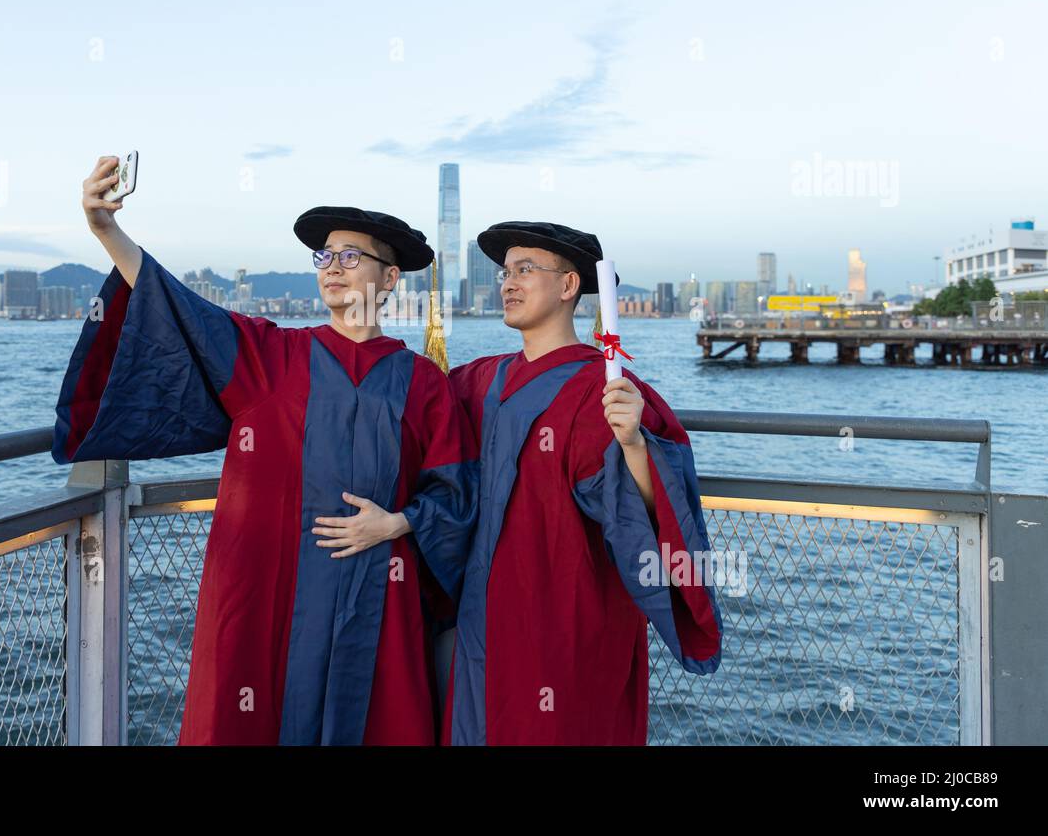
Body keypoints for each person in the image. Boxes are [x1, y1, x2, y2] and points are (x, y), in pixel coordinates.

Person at [51, 156, 477, 745]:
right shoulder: (270, 355)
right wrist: (106, 230)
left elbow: (454, 496)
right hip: (269, 590)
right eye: (324, 256)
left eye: (351, 257)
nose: (332, 268)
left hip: (382, 589)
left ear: (388, 279)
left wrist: (399, 523)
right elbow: (178, 308)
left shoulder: (423, 382)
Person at [441, 220, 723, 744]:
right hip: (484, 614)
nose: (508, 283)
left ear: (569, 286)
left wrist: (635, 444)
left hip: (567, 618)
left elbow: (648, 510)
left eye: (526, 269)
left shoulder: (608, 390)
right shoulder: (477, 381)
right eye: (506, 271)